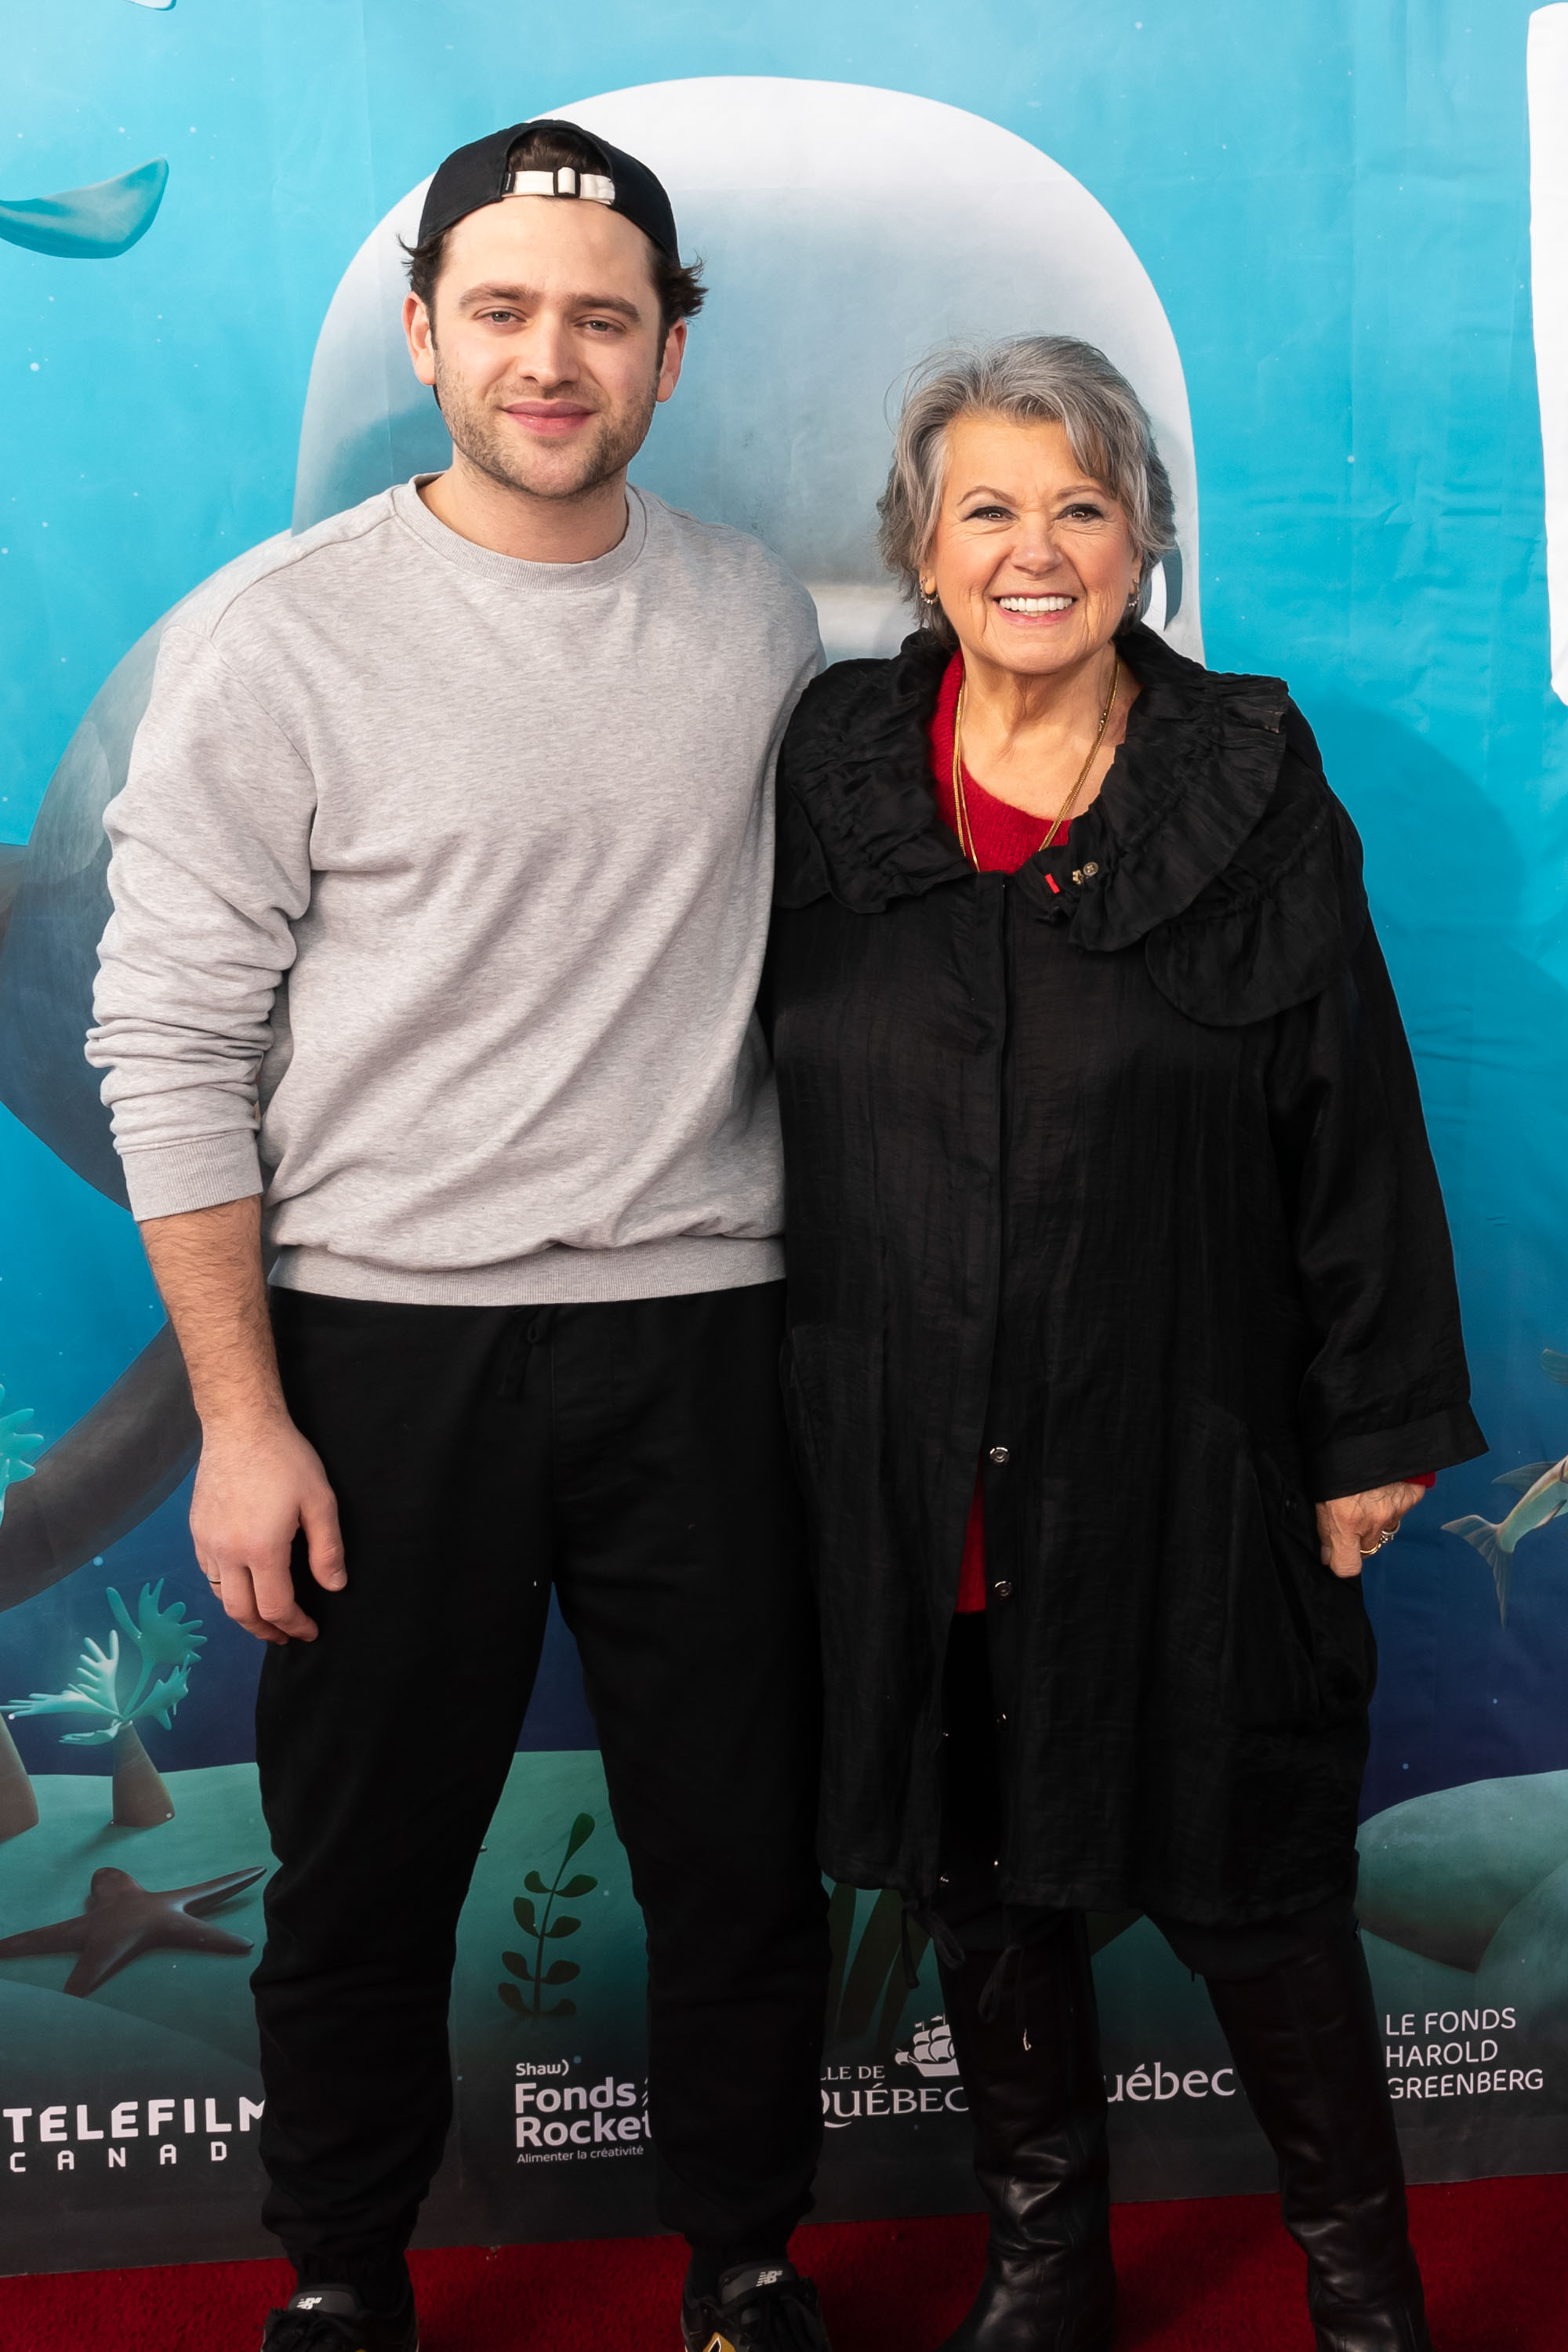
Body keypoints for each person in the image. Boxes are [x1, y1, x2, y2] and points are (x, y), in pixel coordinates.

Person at [87, 117, 834, 2352]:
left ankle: (749, 2263)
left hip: (708, 1334)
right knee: (363, 1878)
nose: (548, 354)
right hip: (376, 1351)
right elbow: (169, 1034)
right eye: (499, 311)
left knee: (738, 1857)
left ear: (670, 352)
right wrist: (240, 1419)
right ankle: (338, 2279)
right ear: (424, 333)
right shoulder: (283, 642)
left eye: (601, 316)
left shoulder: (756, 614)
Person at [766, 335, 1485, 2352]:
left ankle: (1361, 2286)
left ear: (1147, 536)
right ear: (917, 541)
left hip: (1182, 1439)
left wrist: (1369, 1432)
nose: (1034, 548)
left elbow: (1354, 1115)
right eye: (987, 505)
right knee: (978, 1878)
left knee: (1253, 1876)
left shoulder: (1245, 777)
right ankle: (1043, 2261)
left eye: (1081, 504)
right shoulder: (827, 771)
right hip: (901, 1446)